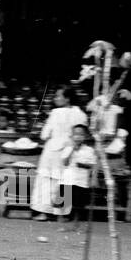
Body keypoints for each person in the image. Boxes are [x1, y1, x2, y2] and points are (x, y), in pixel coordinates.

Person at [29, 86, 85, 220]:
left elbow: (44, 134)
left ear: (67, 98)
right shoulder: (80, 114)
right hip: (69, 150)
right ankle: (62, 214)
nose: (56, 99)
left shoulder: (55, 113)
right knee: (64, 180)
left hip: (52, 151)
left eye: (59, 96)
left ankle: (43, 212)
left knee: (46, 180)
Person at [60, 125, 96, 221]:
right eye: (75, 134)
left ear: (86, 136)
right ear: (71, 136)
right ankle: (67, 216)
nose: (78, 137)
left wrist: (83, 165)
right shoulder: (68, 148)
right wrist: (72, 150)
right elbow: (65, 163)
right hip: (68, 178)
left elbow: (92, 165)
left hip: (81, 179)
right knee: (67, 196)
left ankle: (78, 216)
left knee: (79, 198)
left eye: (81, 134)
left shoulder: (89, 150)